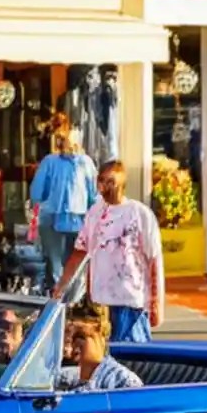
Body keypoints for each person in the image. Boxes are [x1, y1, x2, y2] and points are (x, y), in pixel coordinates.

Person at [52, 161, 164, 343]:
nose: (105, 186)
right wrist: (61, 287)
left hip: (130, 301)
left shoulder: (139, 214)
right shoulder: (94, 214)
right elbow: (80, 252)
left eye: (110, 181)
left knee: (131, 357)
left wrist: (156, 303)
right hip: (100, 303)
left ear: (121, 184)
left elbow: (154, 260)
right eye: (101, 180)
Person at [30, 114, 98, 297]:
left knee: (68, 265)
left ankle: (66, 305)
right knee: (63, 266)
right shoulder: (52, 162)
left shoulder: (85, 163)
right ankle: (62, 306)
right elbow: (36, 194)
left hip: (75, 221)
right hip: (58, 220)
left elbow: (94, 196)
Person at [57, 301, 143, 392]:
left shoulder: (123, 383)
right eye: (66, 340)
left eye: (80, 337)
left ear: (102, 335)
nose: (69, 350)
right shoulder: (65, 377)